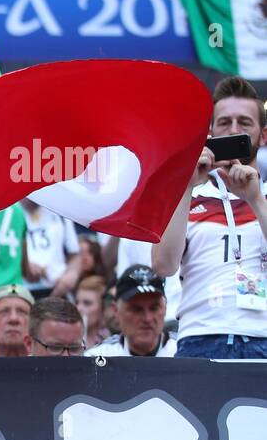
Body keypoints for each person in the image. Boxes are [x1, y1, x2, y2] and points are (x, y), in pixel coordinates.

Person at [154, 75, 267, 359]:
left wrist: (255, 199)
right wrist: (186, 185)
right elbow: (163, 265)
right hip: (200, 339)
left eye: (244, 122)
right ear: (211, 132)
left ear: (263, 135)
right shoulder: (186, 192)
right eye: (224, 122)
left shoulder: (262, 197)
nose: (233, 129)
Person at [87, 265, 175, 358]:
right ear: (116, 310)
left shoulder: (184, 353)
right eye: (136, 310)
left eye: (154, 308)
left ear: (165, 308)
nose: (147, 318)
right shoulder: (97, 359)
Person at [22, 199, 83, 299]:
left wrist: (72, 274)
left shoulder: (59, 210)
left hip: (57, 289)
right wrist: (24, 264)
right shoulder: (8, 212)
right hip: (23, 291)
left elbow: (75, 254)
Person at [0, 283, 34, 358]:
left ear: (35, 328)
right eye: (4, 312)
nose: (13, 319)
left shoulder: (49, 367)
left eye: (22, 312)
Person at [73, 274, 111, 349]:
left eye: (87, 303)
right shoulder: (66, 339)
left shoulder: (112, 343)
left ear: (103, 308)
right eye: (77, 302)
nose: (78, 308)